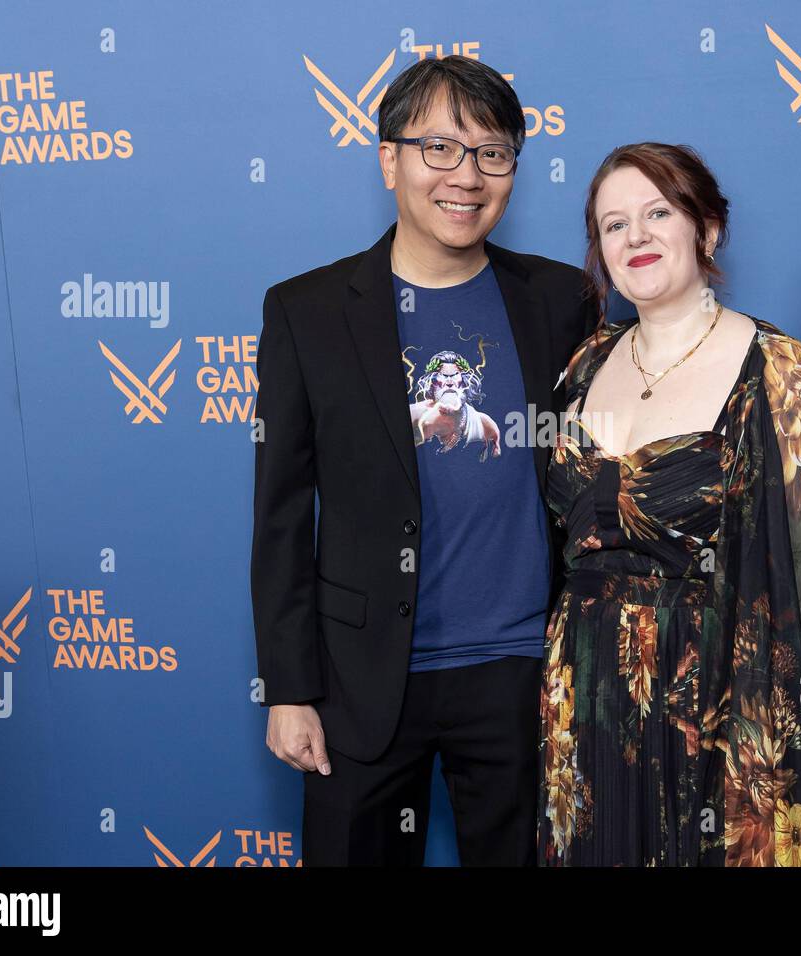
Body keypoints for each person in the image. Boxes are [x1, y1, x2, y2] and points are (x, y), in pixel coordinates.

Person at [250, 54, 596, 865]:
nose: (466, 176)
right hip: (361, 676)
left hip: (522, 671)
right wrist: (290, 688)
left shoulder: (562, 299)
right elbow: (280, 515)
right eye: (439, 148)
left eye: (492, 152)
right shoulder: (306, 311)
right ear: (388, 159)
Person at [537, 143, 801, 866]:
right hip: (583, 701)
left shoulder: (778, 371)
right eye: (613, 224)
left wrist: (771, 756)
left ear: (708, 228)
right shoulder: (584, 364)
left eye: (658, 212)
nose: (636, 237)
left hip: (718, 709)